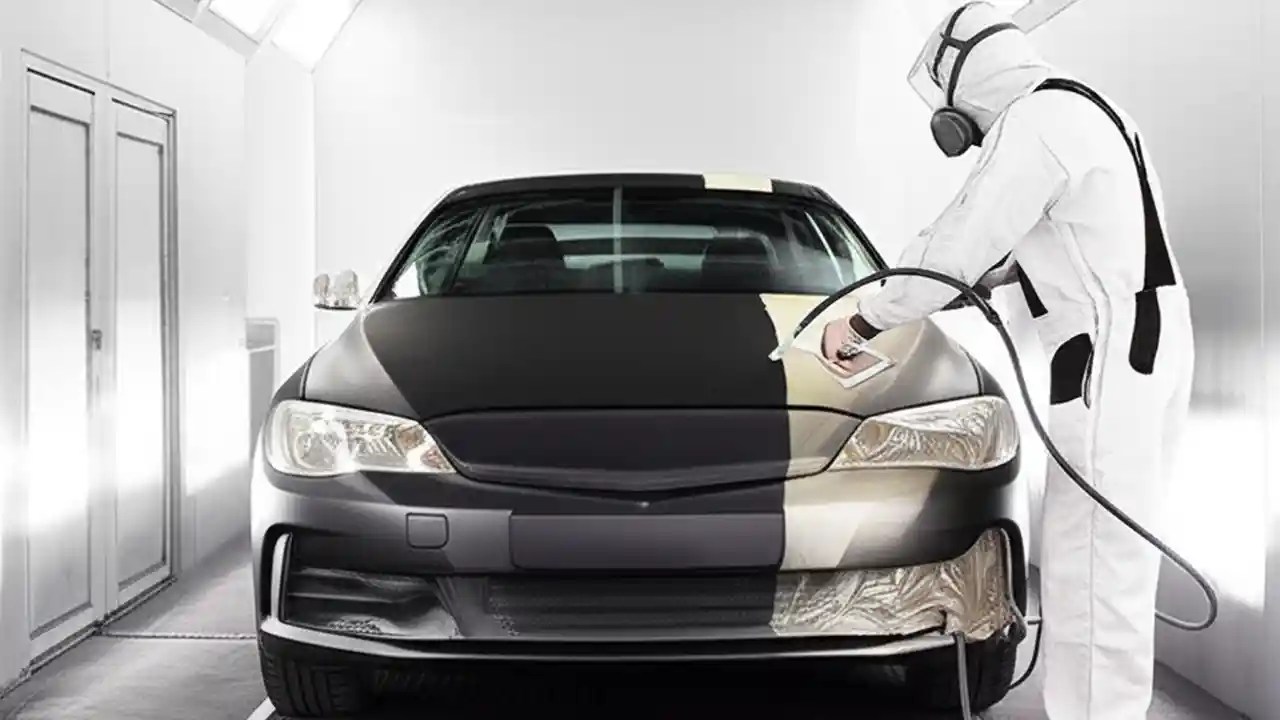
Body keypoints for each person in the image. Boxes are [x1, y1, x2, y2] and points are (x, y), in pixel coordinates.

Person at [821, 2, 1194, 718]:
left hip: (1104, 358)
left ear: (968, 82)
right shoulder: (1091, 107)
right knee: (1115, 557)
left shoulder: (1031, 126)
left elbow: (958, 240)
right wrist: (993, 285)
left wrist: (866, 316)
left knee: (1090, 561)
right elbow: (1087, 239)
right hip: (1148, 345)